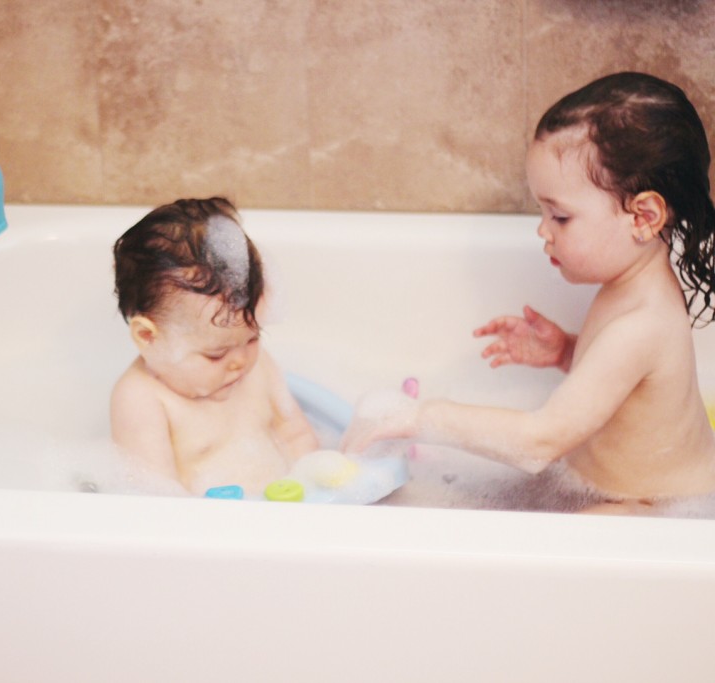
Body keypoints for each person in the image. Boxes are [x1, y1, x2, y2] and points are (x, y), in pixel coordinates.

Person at [343, 72, 715, 512]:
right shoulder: (632, 284)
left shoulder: (642, 323)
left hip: (655, 505)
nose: (543, 230)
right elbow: (623, 385)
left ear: (642, 217)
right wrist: (565, 352)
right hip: (612, 483)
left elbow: (540, 442)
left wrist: (424, 417)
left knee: (570, 544)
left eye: (560, 217)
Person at [110, 197, 319, 495]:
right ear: (148, 338)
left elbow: (294, 433)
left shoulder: (256, 365)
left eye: (253, 338)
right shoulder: (141, 399)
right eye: (216, 354)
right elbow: (155, 498)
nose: (239, 361)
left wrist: (314, 480)